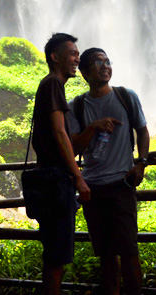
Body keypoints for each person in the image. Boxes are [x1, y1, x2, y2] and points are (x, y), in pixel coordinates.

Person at [68, 48, 150, 295]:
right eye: (97, 62)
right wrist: (92, 127)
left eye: (107, 61)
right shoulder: (77, 106)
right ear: (83, 72)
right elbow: (72, 148)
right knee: (105, 253)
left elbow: (143, 131)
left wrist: (141, 163)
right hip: (93, 187)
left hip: (121, 184)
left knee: (128, 250)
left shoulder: (126, 96)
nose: (104, 66)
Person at [32, 33, 91, 295]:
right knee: (56, 255)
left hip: (50, 180)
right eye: (72, 53)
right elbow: (59, 133)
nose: (77, 58)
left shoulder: (51, 84)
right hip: (56, 182)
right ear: (55, 57)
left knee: (54, 253)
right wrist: (78, 176)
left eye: (78, 54)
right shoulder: (54, 83)